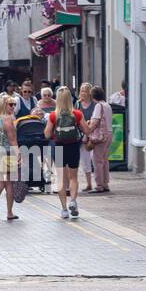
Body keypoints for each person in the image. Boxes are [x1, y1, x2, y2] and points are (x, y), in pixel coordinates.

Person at [44, 86, 90, 219]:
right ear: (70, 99)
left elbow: (47, 134)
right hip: (73, 146)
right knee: (73, 177)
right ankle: (73, 201)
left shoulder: (53, 115)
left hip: (58, 147)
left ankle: (64, 209)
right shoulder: (77, 114)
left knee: (61, 180)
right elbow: (87, 131)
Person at [0, 91, 21, 221]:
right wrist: (18, 155)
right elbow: (12, 140)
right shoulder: (8, 119)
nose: (13, 107)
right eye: (10, 104)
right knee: (9, 183)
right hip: (6, 152)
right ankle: (9, 212)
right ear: (3, 105)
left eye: (14, 104)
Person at [86, 85, 113, 193]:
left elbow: (95, 121)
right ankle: (106, 184)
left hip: (101, 136)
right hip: (109, 133)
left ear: (93, 95)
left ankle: (99, 185)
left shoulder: (98, 106)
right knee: (105, 160)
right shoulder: (107, 105)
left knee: (97, 161)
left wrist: (87, 130)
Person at [77, 82, 96, 192]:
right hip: (82, 136)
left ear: (89, 92)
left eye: (85, 91)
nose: (83, 93)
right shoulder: (78, 104)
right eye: (81, 91)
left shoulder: (94, 104)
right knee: (85, 161)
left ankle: (100, 183)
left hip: (93, 136)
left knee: (95, 159)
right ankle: (89, 184)